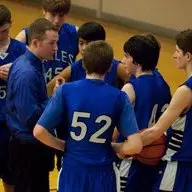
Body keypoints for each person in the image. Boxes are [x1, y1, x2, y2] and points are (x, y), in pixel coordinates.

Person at [33, 40, 142, 192]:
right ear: (110, 67)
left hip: (72, 170)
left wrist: (64, 146)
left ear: (83, 64)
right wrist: (111, 147)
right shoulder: (119, 97)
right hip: (103, 173)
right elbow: (135, 146)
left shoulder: (66, 91)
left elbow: (39, 131)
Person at [6, 18, 58, 192]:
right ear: (35, 42)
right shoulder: (27, 73)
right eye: (52, 43)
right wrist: (55, 100)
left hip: (28, 147)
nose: (56, 48)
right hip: (28, 150)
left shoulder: (27, 63)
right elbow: (29, 117)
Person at [115, 34, 171, 192]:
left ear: (136, 62)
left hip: (130, 159)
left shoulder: (131, 88)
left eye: (126, 56)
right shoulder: (163, 85)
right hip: (153, 159)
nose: (123, 60)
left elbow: (116, 125)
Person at [141, 29, 192, 192]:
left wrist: (124, 146)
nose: (174, 55)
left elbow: (156, 131)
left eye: (177, 51)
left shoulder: (185, 91)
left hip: (178, 166)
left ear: (188, 56)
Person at [46, 21, 130, 96]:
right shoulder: (73, 68)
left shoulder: (116, 67)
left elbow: (137, 85)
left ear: (101, 44)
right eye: (81, 43)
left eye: (89, 43)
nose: (84, 48)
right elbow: (49, 88)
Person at [16, 0, 79, 83]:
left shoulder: (75, 33)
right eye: (53, 15)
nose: (56, 20)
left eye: (61, 15)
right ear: (44, 11)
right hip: (37, 88)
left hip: (62, 90)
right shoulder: (27, 35)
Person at [0, 5, 26, 192]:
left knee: (11, 176)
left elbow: (34, 80)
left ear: (10, 25)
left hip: (11, 124)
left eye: (3, 31)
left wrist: (17, 75)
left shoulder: (21, 50)